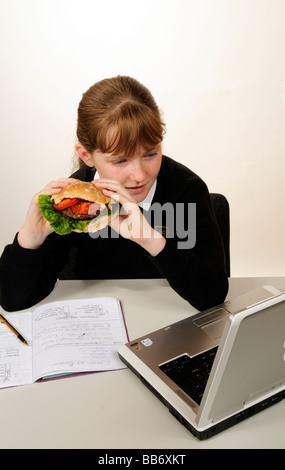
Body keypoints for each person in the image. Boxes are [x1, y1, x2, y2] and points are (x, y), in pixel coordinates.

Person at [0, 75, 228, 312]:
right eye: (120, 161)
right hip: (95, 320)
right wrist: (29, 238)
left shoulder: (186, 189)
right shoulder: (73, 201)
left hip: (167, 317)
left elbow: (212, 296)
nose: (139, 175)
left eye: (150, 154)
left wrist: (149, 238)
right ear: (87, 155)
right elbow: (14, 300)